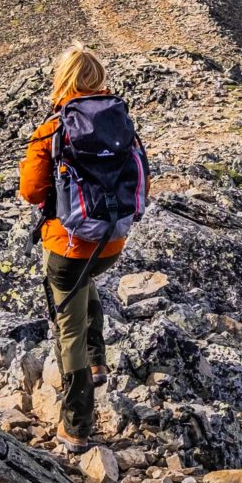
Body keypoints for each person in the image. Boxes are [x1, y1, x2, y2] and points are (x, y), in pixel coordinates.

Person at [19, 44, 148, 449]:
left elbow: (30, 191)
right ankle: (97, 363)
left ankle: (76, 425)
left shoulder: (53, 129)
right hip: (112, 241)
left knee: (67, 326)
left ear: (64, 80)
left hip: (69, 244)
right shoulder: (121, 123)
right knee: (85, 284)